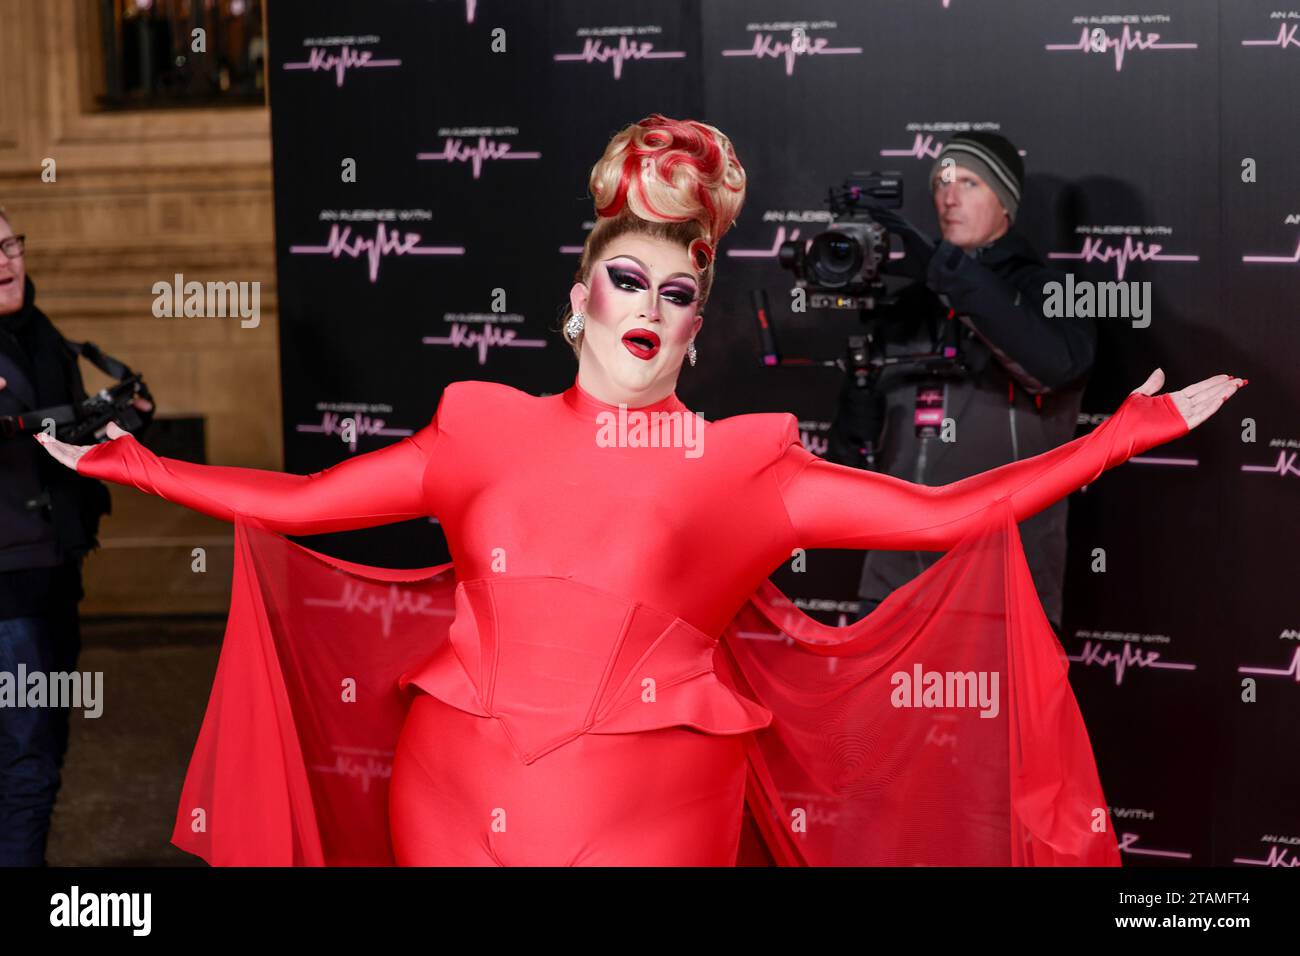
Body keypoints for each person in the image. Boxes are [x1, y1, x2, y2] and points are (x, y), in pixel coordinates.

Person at [34, 115, 1243, 867]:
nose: (651, 312)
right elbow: (301, 503)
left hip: (652, 805)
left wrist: (1122, 431)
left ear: (694, 328)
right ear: (578, 304)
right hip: (450, 792)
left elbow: (944, 516)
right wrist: (134, 464)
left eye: (677, 297)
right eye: (628, 281)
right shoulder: (479, 427)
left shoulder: (748, 463)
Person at [829, 132, 1093, 633]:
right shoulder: (905, 306)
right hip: (894, 589)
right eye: (942, 184)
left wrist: (944, 273)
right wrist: (855, 432)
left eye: (969, 182)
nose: (950, 197)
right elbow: (849, 467)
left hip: (1004, 590)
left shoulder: (1055, 291)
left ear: (1006, 201)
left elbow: (1054, 366)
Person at [0, 209, 151, 866]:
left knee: (42, 754)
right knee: (28, 764)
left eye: (8, 245)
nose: (4, 262)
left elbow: (66, 444)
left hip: (55, 572)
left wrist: (124, 420)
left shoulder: (43, 336)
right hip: (9, 594)